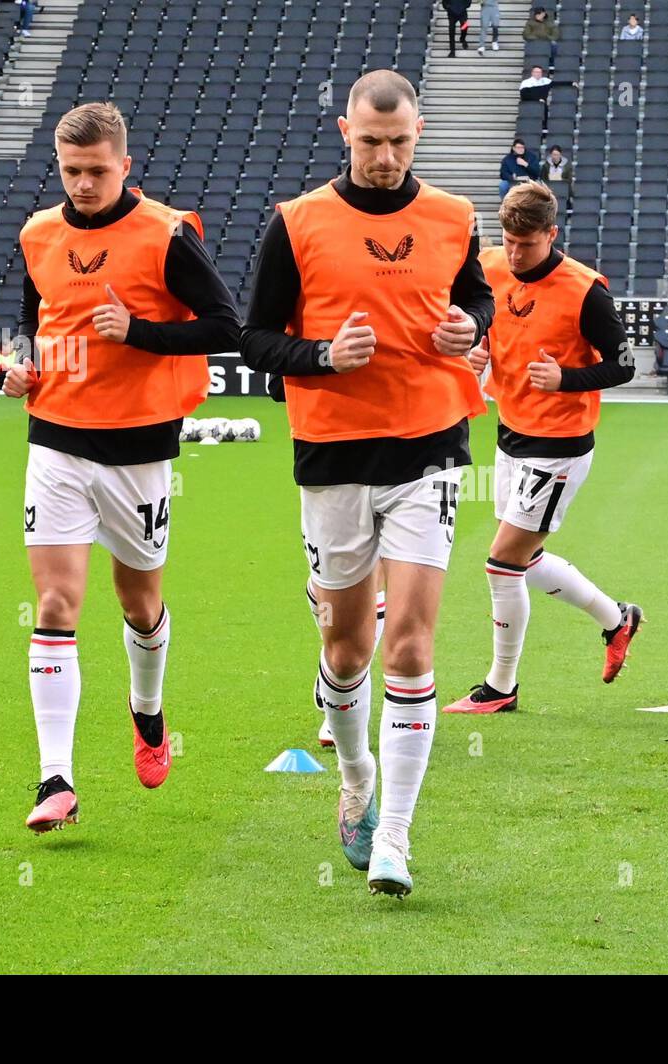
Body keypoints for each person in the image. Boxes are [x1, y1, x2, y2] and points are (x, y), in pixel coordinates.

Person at [239, 70, 495, 897]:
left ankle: (396, 838)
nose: (385, 158)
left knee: (413, 642)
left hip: (428, 447)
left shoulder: (455, 218)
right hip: (333, 454)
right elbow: (252, 338)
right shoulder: (298, 221)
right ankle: (356, 777)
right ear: (345, 132)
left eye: (400, 143)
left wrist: (471, 328)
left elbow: (476, 301)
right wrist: (319, 356)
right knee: (346, 649)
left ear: (417, 134)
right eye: (370, 142)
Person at [0, 102, 241, 833]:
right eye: (71, 171)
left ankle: (147, 709)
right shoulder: (39, 234)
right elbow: (34, 331)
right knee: (55, 608)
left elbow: (225, 328)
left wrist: (138, 331)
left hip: (139, 453)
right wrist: (15, 369)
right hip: (56, 444)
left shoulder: (166, 234)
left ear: (125, 165)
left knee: (139, 604)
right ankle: (55, 780)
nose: (83, 184)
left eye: (97, 171)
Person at [443, 182, 641, 714]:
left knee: (502, 563)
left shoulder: (584, 290)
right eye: (508, 241)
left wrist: (566, 378)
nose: (514, 253)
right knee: (523, 562)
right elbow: (480, 320)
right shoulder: (487, 265)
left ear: (552, 235)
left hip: (559, 446)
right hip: (510, 434)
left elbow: (624, 364)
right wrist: (476, 350)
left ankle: (501, 687)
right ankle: (617, 619)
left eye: (526, 244)